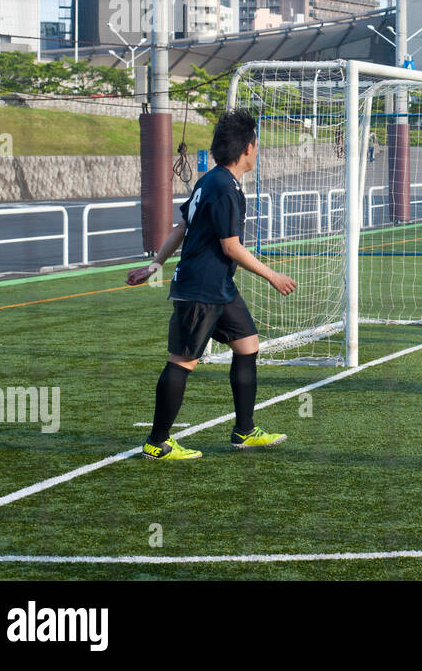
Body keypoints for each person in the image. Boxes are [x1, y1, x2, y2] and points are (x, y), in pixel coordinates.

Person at [126, 109, 296, 461]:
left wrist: (155, 263)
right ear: (248, 148)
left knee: (247, 345)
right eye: (257, 144)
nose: (257, 150)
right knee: (183, 361)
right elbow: (230, 246)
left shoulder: (213, 180)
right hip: (201, 288)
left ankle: (244, 431)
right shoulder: (222, 187)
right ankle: (157, 443)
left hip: (219, 286)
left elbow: (181, 225)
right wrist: (273, 276)